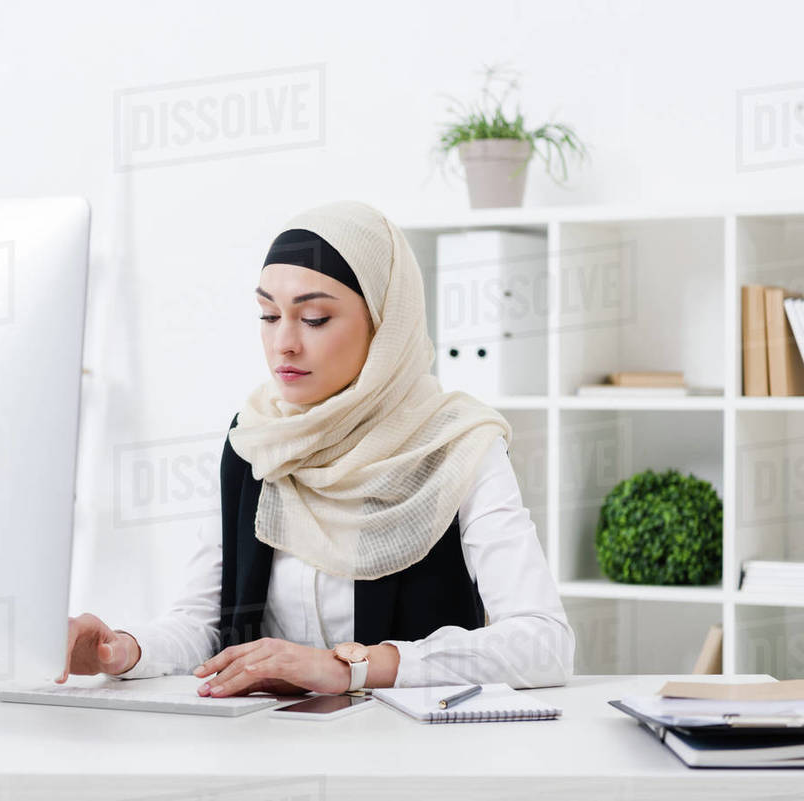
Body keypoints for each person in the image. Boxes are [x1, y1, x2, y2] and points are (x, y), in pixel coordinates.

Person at [58, 200, 574, 697]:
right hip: (270, 753)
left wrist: (352, 668)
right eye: (268, 315)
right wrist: (123, 650)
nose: (284, 342)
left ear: (384, 323)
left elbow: (544, 643)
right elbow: (205, 625)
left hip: (412, 757)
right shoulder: (256, 440)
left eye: (315, 319)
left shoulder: (456, 443)